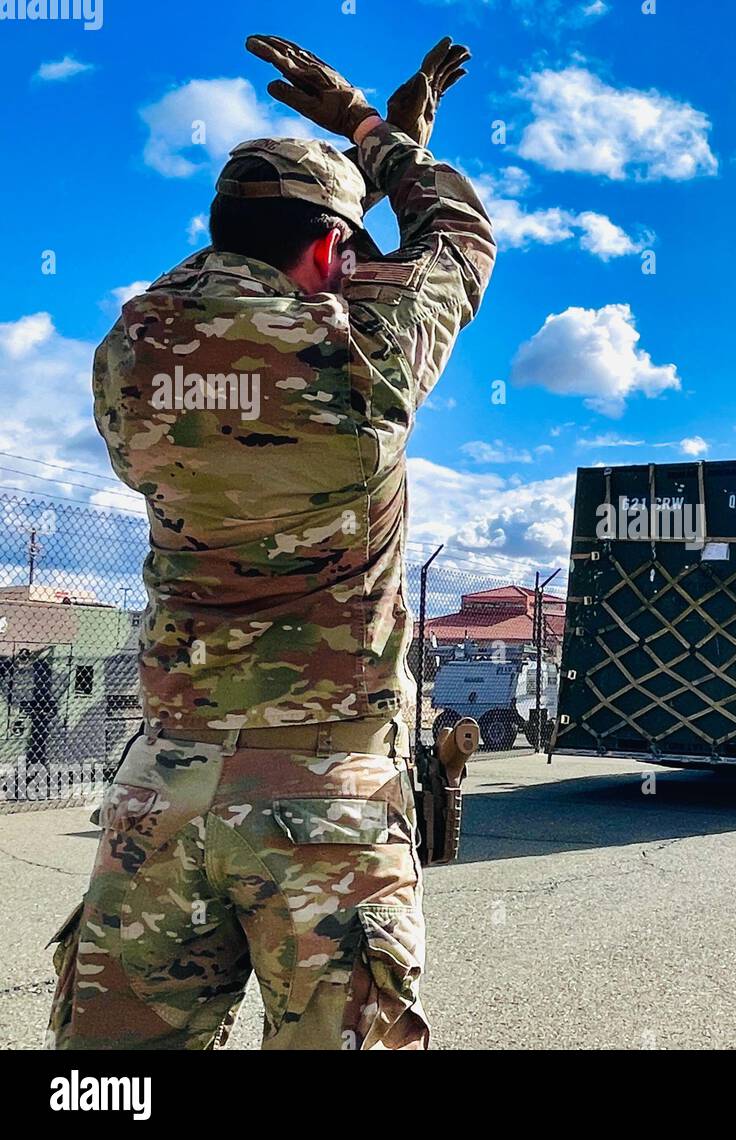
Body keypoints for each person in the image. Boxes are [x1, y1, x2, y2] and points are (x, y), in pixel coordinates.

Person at [46, 34, 494, 1050]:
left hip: (164, 786)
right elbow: (457, 230)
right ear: (336, 253)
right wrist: (374, 135)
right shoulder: (369, 355)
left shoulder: (134, 354)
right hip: (326, 795)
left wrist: (321, 198)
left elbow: (238, 283)